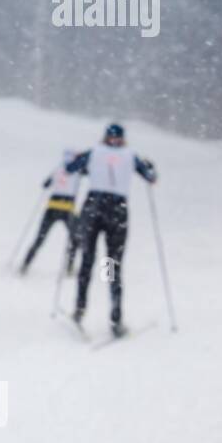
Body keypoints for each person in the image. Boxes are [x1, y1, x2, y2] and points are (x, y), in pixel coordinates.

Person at [63, 123, 157, 336]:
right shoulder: (130, 155)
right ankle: (115, 319)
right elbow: (151, 177)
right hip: (117, 210)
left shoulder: (95, 152)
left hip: (93, 206)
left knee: (88, 259)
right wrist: (150, 168)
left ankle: (79, 309)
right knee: (112, 266)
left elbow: (70, 168)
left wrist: (83, 164)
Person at [20, 149, 81, 276]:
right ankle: (70, 266)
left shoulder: (58, 170)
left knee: (40, 238)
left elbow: (45, 184)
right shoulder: (77, 171)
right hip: (68, 209)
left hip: (52, 208)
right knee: (75, 239)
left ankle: (25, 264)